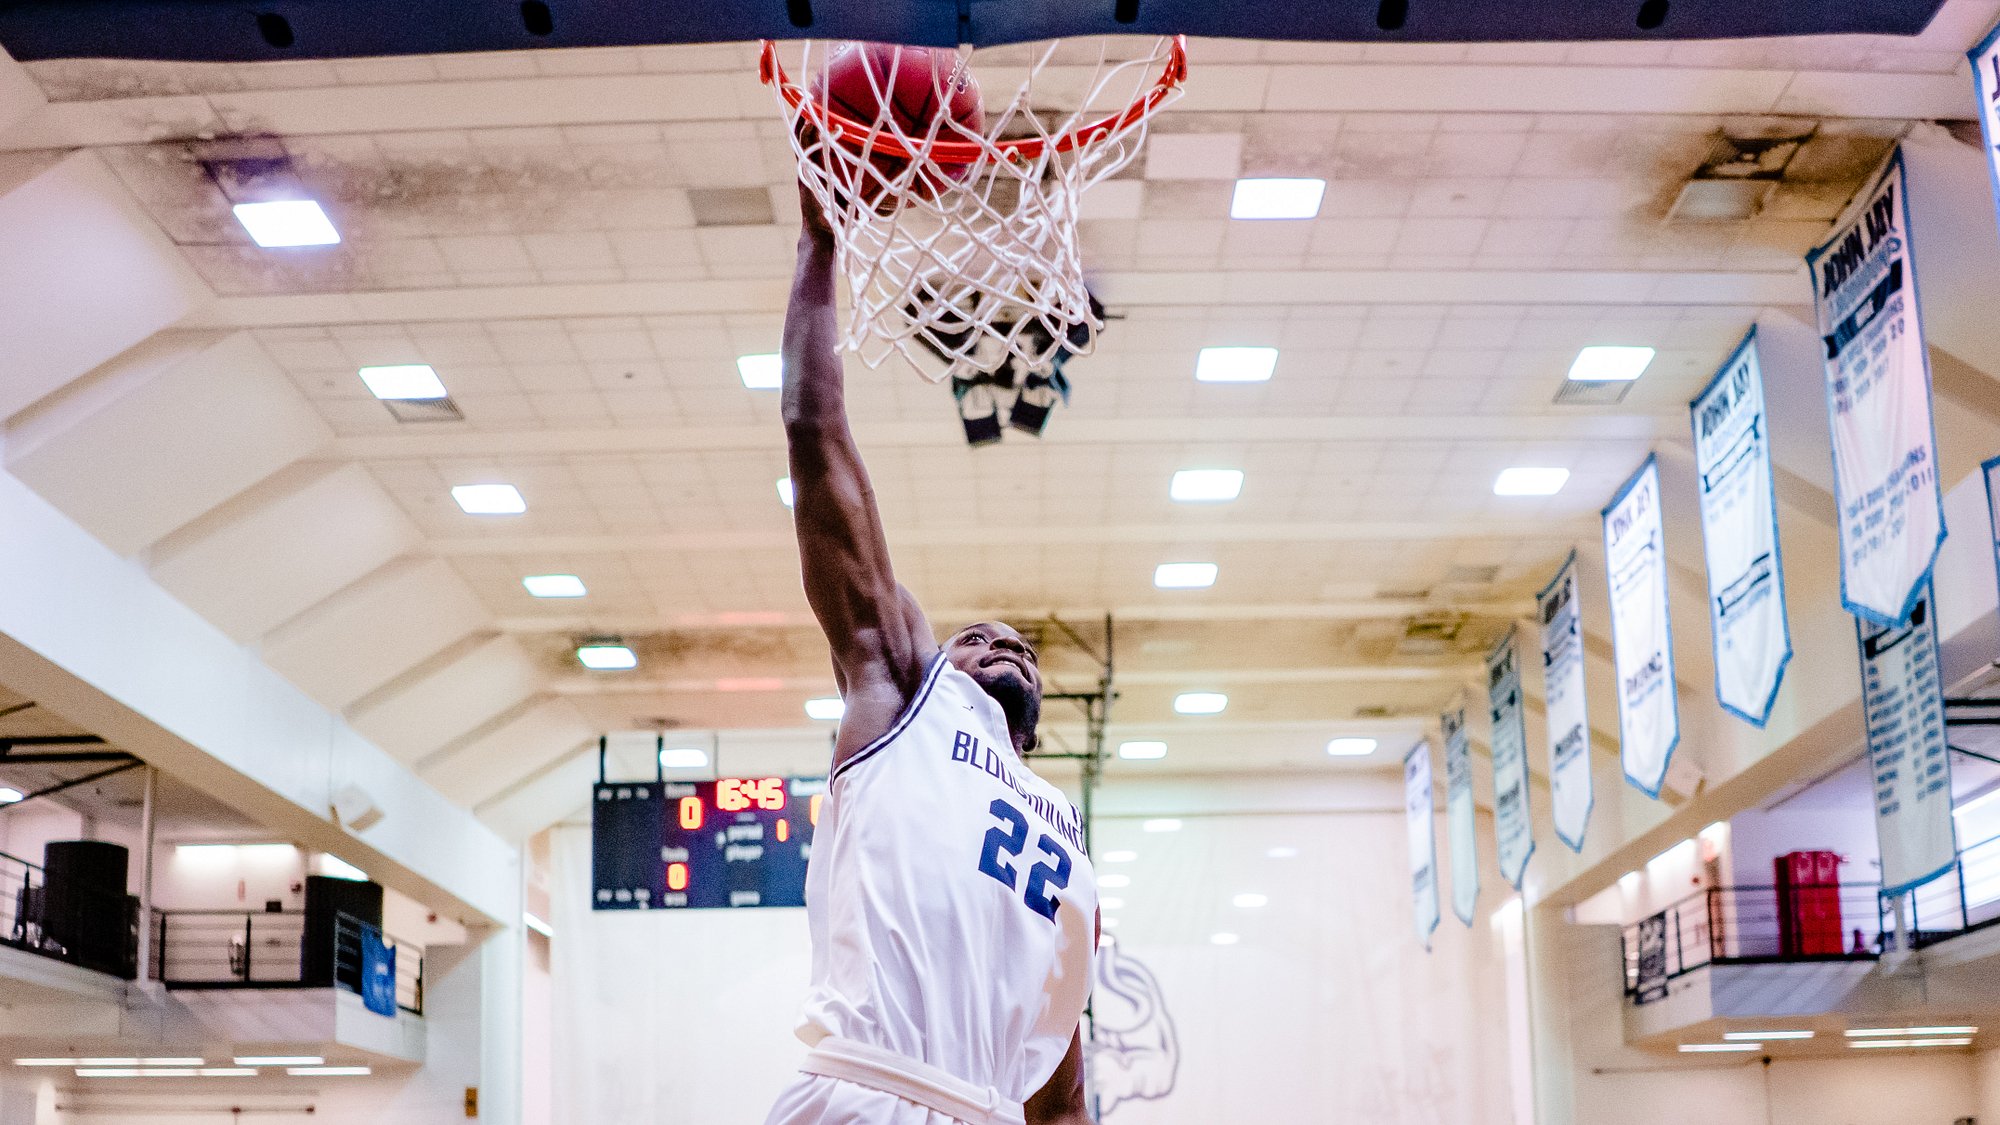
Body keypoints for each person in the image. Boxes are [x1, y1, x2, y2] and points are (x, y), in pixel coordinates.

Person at [762, 188, 1098, 1125]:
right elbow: (814, 434)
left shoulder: (1066, 837)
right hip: (866, 1090)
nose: (1003, 643)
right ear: (932, 663)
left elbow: (1062, 1097)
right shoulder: (907, 694)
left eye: (1020, 644)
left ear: (1037, 723)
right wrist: (821, 244)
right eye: (975, 637)